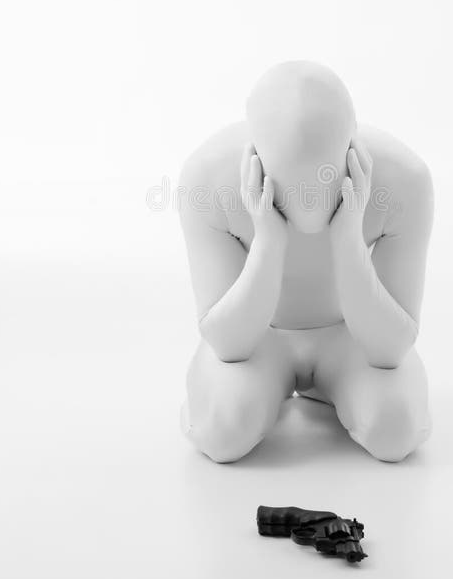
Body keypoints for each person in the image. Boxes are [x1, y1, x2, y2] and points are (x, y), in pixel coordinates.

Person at [178, 61, 434, 463]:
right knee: (224, 427)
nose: (308, 211)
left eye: (324, 185)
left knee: (395, 428)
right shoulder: (206, 178)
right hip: (259, 338)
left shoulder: (405, 180)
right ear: (256, 156)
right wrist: (268, 239)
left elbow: (390, 349)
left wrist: (348, 238)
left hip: (350, 338)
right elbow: (229, 345)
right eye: (287, 190)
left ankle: (330, 389)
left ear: (351, 150)